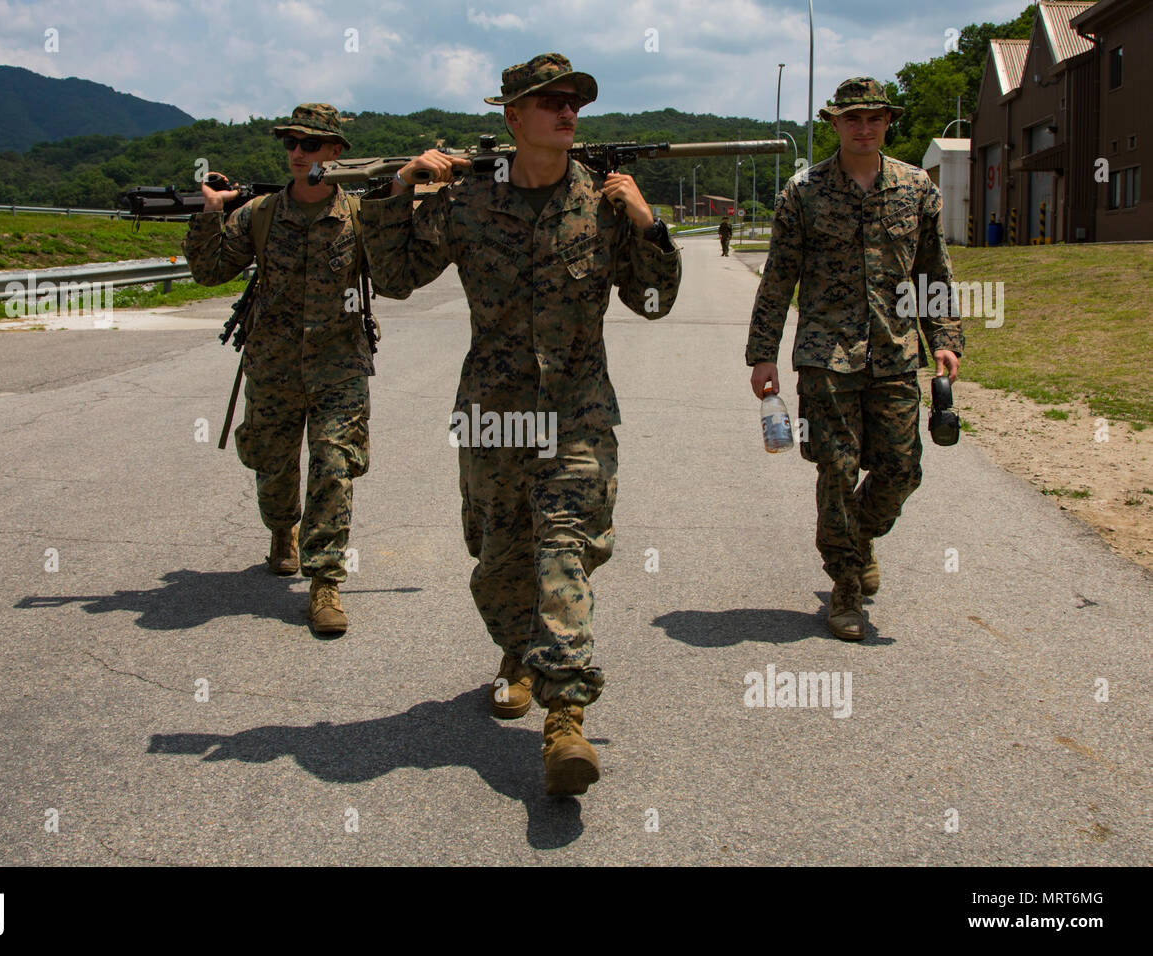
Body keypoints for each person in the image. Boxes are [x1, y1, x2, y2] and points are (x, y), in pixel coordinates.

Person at [360, 53, 681, 795]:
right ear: (513, 117)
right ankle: (517, 653)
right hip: (494, 415)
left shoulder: (603, 203)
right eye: (550, 102)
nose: (567, 112)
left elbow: (655, 303)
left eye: (574, 101)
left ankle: (566, 717)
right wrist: (398, 191)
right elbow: (396, 277)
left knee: (563, 549)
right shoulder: (469, 202)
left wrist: (649, 223)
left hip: (578, 412)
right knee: (500, 556)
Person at [745, 77, 963, 641]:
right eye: (852, 119)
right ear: (834, 123)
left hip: (895, 352)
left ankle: (858, 540)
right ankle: (845, 585)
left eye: (874, 118)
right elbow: (778, 278)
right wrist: (762, 355)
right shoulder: (803, 192)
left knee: (901, 469)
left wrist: (944, 336)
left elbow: (932, 273)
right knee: (836, 473)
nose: (864, 127)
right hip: (826, 356)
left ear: (887, 122)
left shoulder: (917, 190)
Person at [184, 103, 376, 637]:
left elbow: (401, 275)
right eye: (292, 142)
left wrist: (408, 200)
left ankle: (326, 580)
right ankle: (281, 529)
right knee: (271, 462)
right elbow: (207, 271)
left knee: (334, 464)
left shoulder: (360, 216)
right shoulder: (261, 213)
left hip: (339, 364)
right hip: (272, 363)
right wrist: (210, 212)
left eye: (310, 144)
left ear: (335, 153)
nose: (298, 152)